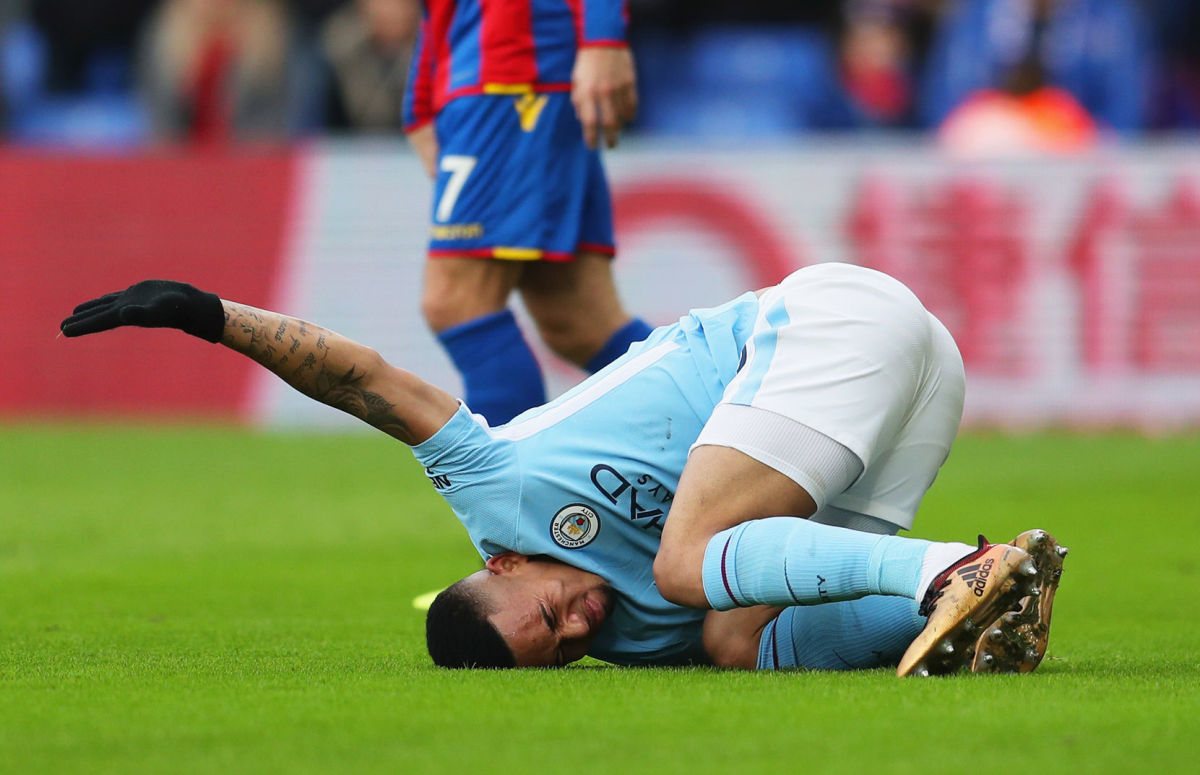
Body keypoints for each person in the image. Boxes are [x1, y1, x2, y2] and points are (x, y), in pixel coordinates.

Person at [60, 262, 1067, 676]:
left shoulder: (491, 486)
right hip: (925, 382)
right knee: (729, 636)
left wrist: (208, 317)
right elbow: (738, 623)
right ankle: (991, 581)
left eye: (551, 616)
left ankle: (946, 572)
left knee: (686, 563)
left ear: (501, 567)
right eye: (567, 649)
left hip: (826, 319)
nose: (585, 628)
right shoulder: (619, 641)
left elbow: (365, 380)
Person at [401, 0, 653, 426]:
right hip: (485, 75)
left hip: (515, 79)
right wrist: (421, 98)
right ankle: (753, 424)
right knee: (578, 321)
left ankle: (513, 491)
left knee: (457, 302)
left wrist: (603, 38)